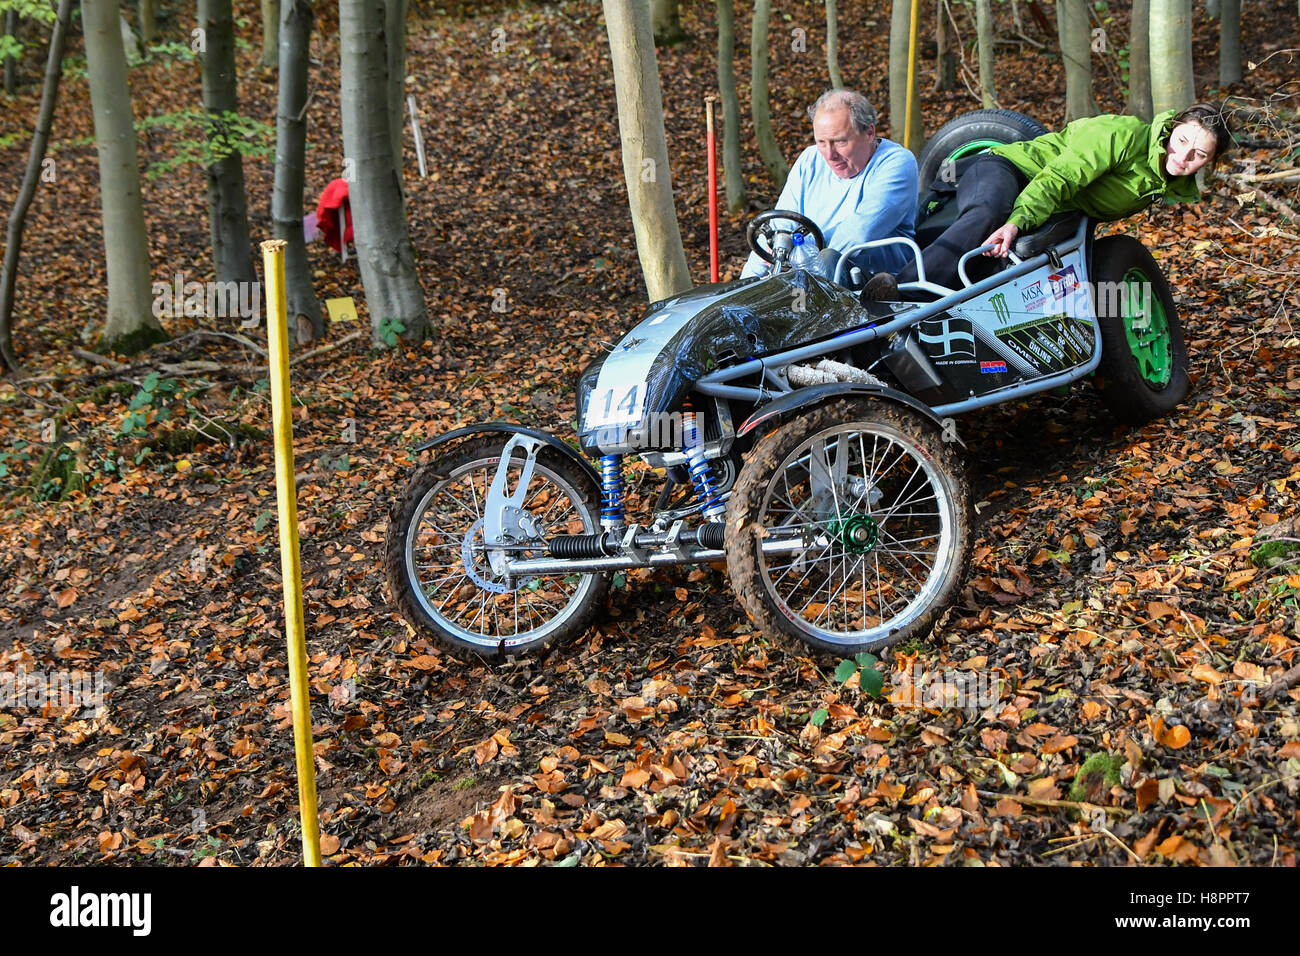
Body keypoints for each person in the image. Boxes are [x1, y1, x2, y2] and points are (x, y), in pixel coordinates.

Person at [889, 103, 1234, 292]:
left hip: (1044, 201)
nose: (1185, 156)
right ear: (1173, 127)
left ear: (1210, 162)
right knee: (990, 216)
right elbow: (1061, 178)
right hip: (1009, 170)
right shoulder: (1121, 134)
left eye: (1200, 154)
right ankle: (898, 292)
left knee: (1006, 255)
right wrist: (1016, 222)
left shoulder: (1160, 180)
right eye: (1184, 140)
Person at [740, 89, 918, 282]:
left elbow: (856, 235)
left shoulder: (896, 162)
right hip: (807, 273)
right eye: (821, 142)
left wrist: (798, 255)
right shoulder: (810, 159)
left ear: (869, 132)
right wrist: (744, 285)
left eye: (840, 142)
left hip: (871, 279)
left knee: (830, 259)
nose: (829, 155)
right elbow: (780, 227)